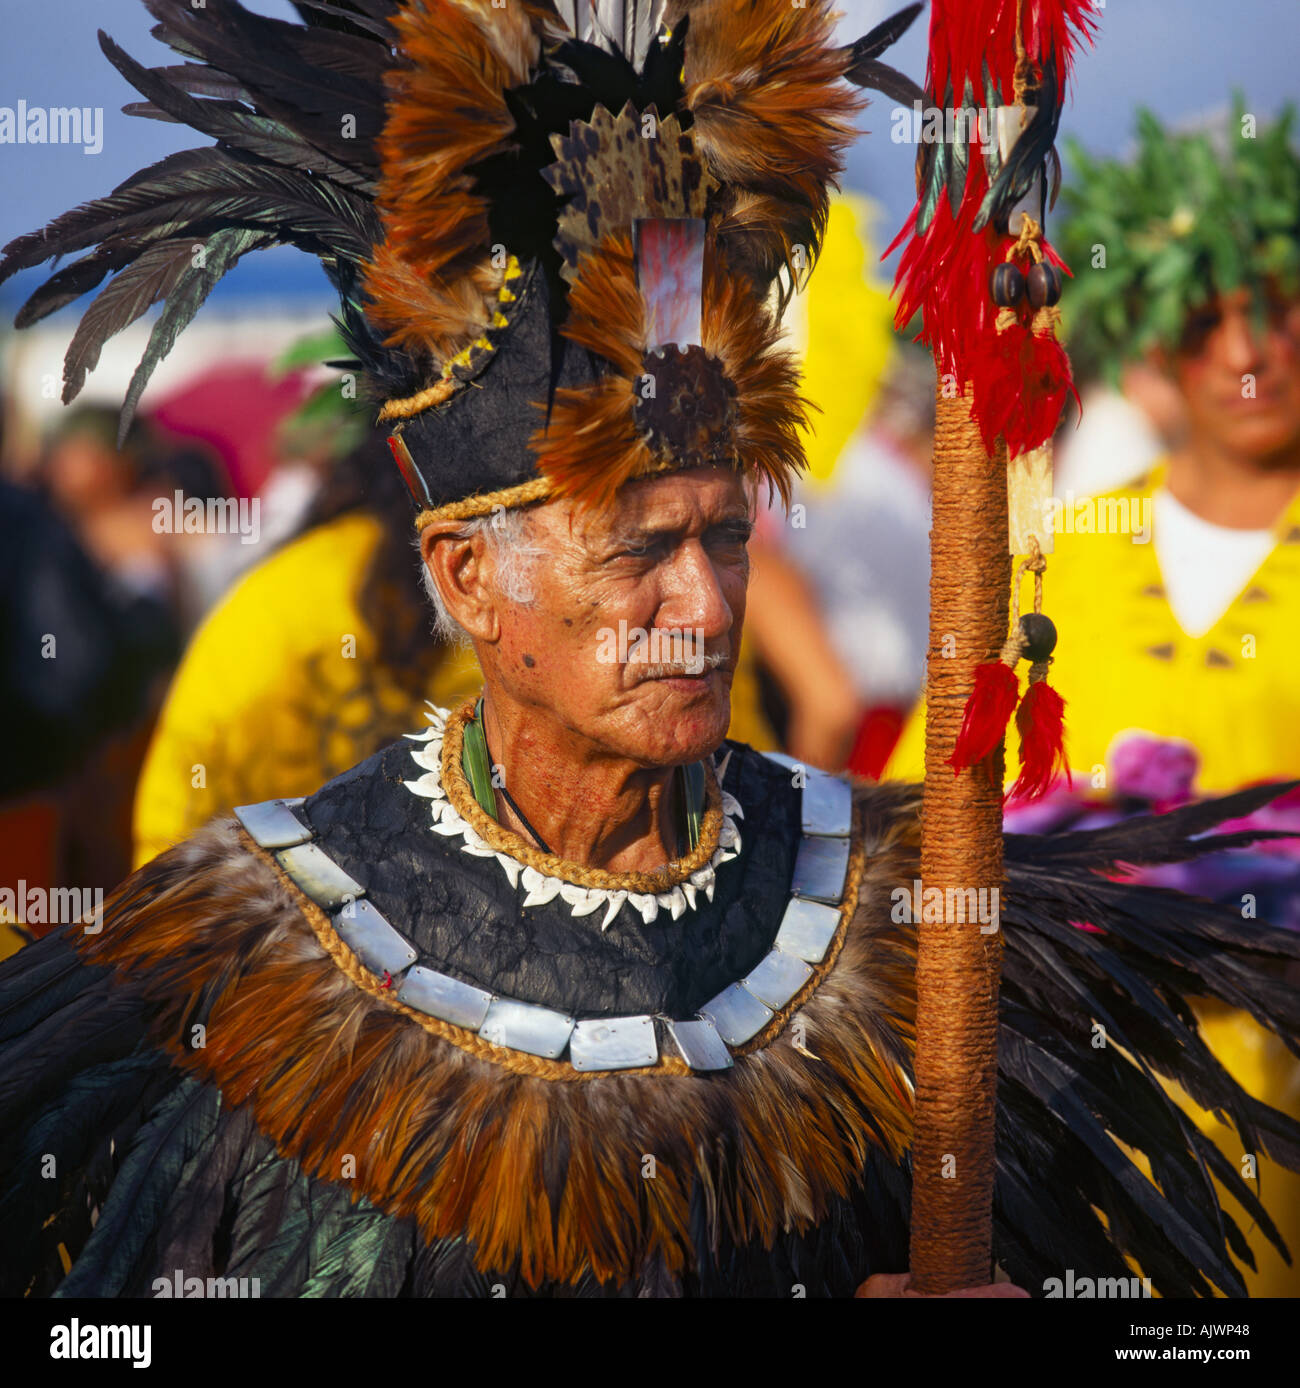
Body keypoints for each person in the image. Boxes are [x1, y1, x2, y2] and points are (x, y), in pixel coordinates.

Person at [1, 0, 1297, 1299]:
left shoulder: (912, 923)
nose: (708, 604)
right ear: (469, 581)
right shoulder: (242, 950)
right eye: (637, 549)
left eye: (726, 537)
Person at [887, 102, 1300, 1294]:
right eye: (1208, 315)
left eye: (1278, 313)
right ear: (1153, 340)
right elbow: (956, 813)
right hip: (1086, 1117)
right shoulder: (1050, 560)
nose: (1248, 353)